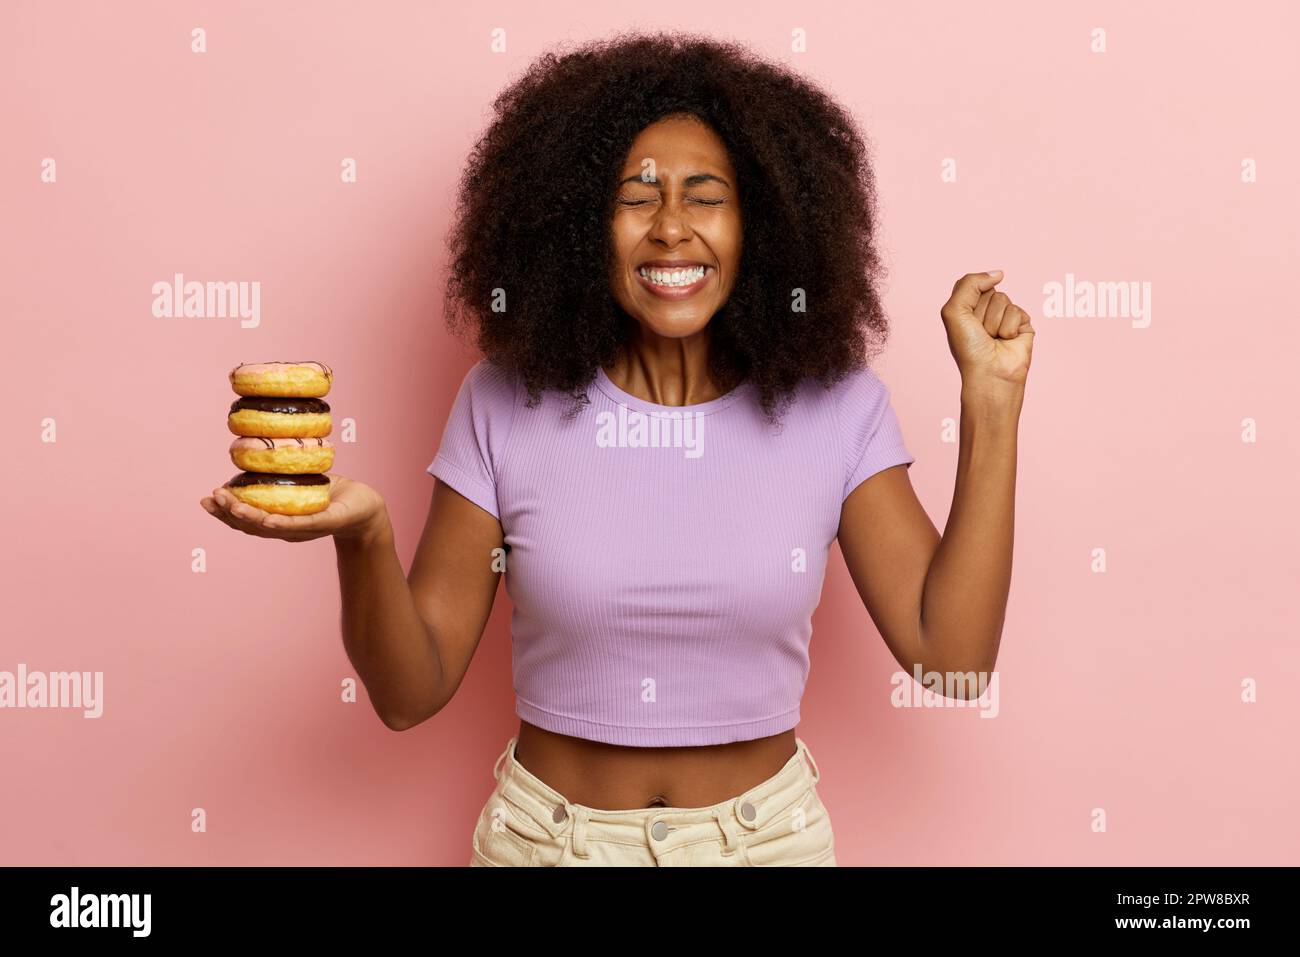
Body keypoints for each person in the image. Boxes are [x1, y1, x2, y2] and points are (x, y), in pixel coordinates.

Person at [199, 32, 1034, 866]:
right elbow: (407, 695)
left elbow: (952, 656)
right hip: (548, 844)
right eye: (636, 199)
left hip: (767, 846)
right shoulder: (504, 403)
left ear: (764, 224)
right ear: (578, 228)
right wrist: (365, 536)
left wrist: (991, 403)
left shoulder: (837, 408)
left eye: (705, 197)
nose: (671, 228)